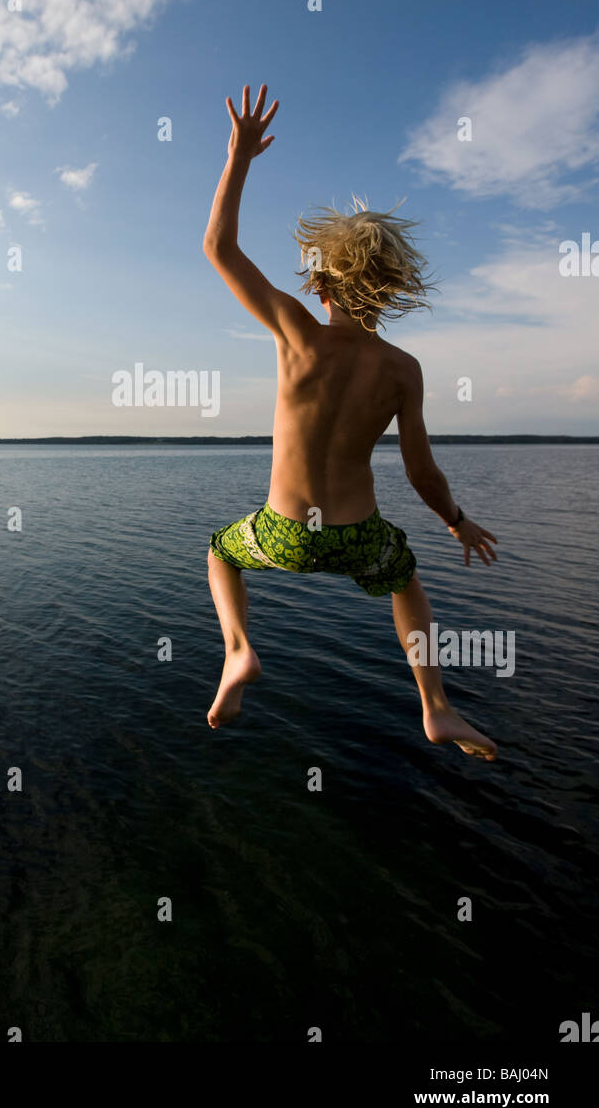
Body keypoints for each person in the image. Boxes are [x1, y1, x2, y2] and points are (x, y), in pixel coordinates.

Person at [203, 84, 498, 759]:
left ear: (321, 284)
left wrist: (239, 157)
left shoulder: (295, 331)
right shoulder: (403, 369)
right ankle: (436, 706)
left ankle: (240, 653)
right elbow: (422, 471)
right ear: (392, 290)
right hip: (358, 537)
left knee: (222, 551)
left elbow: (218, 247)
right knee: (406, 580)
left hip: (283, 533)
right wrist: (457, 521)